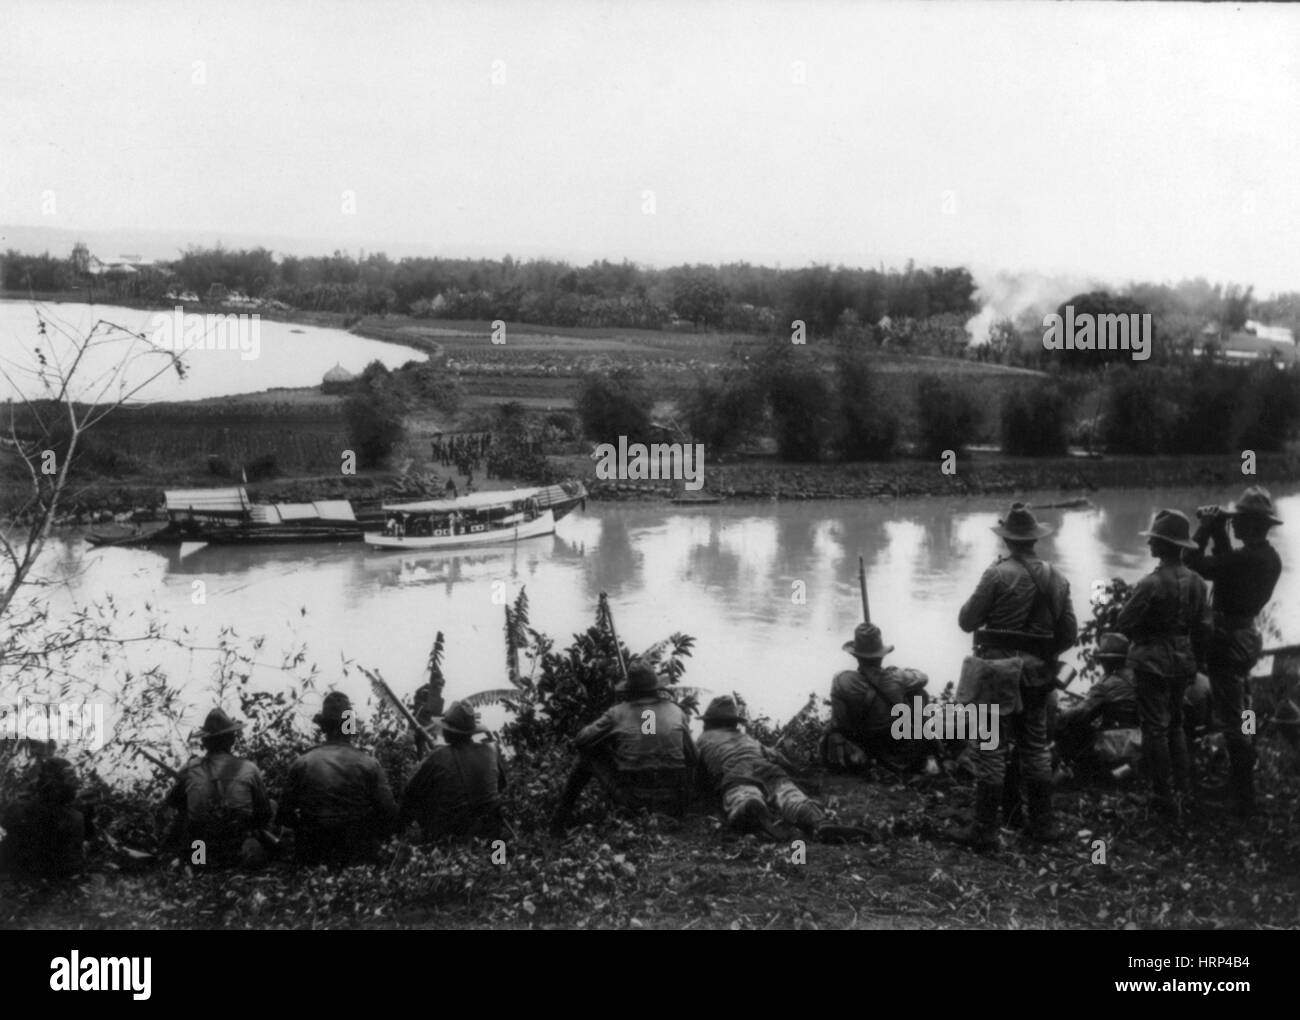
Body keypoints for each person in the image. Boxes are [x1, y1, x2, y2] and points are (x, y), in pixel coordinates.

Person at [953, 501, 1077, 849]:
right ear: (1034, 539)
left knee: (991, 747)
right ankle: (1042, 825)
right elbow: (1068, 635)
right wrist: (1038, 654)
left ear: (1007, 540)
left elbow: (966, 621)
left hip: (996, 674)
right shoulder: (1057, 577)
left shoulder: (996, 574)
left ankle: (985, 830)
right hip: (1037, 676)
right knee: (1035, 747)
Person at [1184, 486, 1283, 818]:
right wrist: (1220, 534)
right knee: (1244, 707)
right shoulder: (1267, 557)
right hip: (1247, 635)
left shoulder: (1246, 558)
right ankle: (1243, 781)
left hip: (1228, 640)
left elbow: (1192, 561)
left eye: (1239, 520)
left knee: (1232, 719)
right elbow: (1228, 574)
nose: (1234, 525)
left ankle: (1242, 797)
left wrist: (1206, 529)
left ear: (1253, 525)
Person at [1116, 509, 1212, 822]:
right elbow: (1203, 626)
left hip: (1152, 662)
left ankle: (1162, 794)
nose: (1149, 546)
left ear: (1164, 544)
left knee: (1154, 727)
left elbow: (1124, 621)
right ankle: (1182, 787)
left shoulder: (1151, 583)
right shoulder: (1198, 582)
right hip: (1183, 661)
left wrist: (1146, 636)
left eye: (1154, 541)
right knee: (1175, 722)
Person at [550, 661, 697, 836]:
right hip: (673, 802)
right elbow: (693, 756)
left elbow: (581, 741)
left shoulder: (617, 713)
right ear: (656, 688)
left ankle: (558, 822)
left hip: (634, 802)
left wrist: (611, 736)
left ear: (630, 690)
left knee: (587, 755)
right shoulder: (676, 711)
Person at [698, 696, 869, 842]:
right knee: (789, 796)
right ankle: (818, 821)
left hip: (736, 774)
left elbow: (694, 767)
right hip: (769, 769)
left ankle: (752, 806)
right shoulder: (746, 738)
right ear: (734, 723)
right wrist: (796, 771)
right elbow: (776, 756)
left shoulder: (703, 739)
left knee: (744, 796)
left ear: (708, 722)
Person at [281, 692, 399, 867]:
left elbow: (284, 814)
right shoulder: (369, 763)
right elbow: (390, 813)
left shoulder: (302, 763)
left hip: (313, 854)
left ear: (323, 728)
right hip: (356, 854)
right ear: (349, 727)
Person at [165, 707, 273, 869]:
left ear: (204, 742)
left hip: (200, 846)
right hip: (235, 848)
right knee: (270, 807)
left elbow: (173, 803)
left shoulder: (189, 768)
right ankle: (253, 862)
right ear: (232, 740)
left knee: (187, 819)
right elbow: (264, 813)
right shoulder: (249, 768)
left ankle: (191, 863)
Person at [823, 623, 937, 775]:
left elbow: (839, 723)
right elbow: (923, 677)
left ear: (856, 656)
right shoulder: (897, 677)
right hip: (897, 744)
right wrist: (901, 672)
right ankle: (928, 753)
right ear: (881, 655)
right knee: (919, 694)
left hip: (865, 745)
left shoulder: (842, 680)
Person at [399, 702, 508, 843]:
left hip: (454, 835)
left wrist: (400, 828)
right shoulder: (490, 751)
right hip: (492, 832)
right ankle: (498, 860)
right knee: (499, 861)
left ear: (448, 732)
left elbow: (410, 792)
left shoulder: (439, 756)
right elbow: (502, 786)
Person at [1054, 633, 1141, 776]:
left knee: (1071, 727)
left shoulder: (1107, 683)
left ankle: (1068, 773)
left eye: (1103, 660)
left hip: (1117, 744)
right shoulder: (1139, 678)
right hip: (1142, 739)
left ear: (1109, 661)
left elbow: (1081, 713)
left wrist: (1058, 717)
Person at [0, 757, 89, 880]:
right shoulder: (75, 818)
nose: (75, 785)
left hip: (17, 884)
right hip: (48, 888)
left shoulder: (16, 809)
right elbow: (72, 868)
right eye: (70, 779)